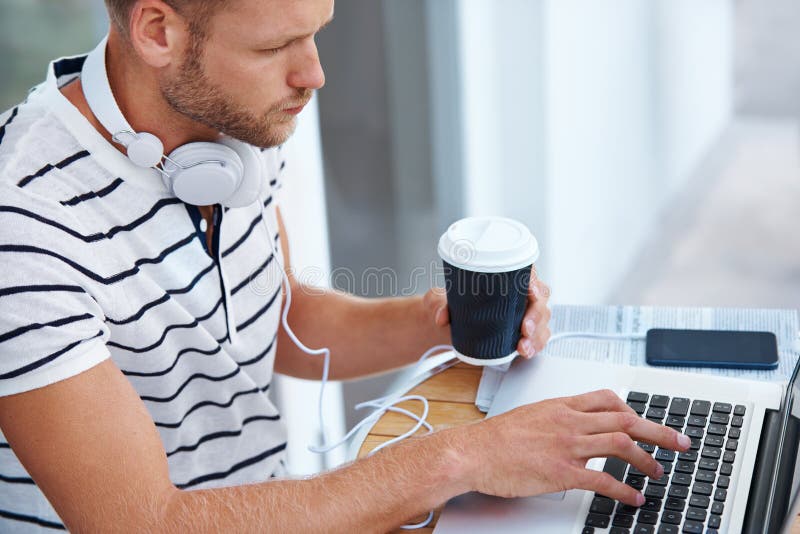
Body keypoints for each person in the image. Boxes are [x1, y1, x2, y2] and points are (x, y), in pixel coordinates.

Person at [0, 0, 690, 531]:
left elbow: (279, 318)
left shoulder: (230, 129)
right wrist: (464, 456)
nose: (313, 76)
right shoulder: (26, 221)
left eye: (316, 30)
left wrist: (444, 325)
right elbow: (142, 523)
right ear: (157, 31)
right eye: (275, 46)